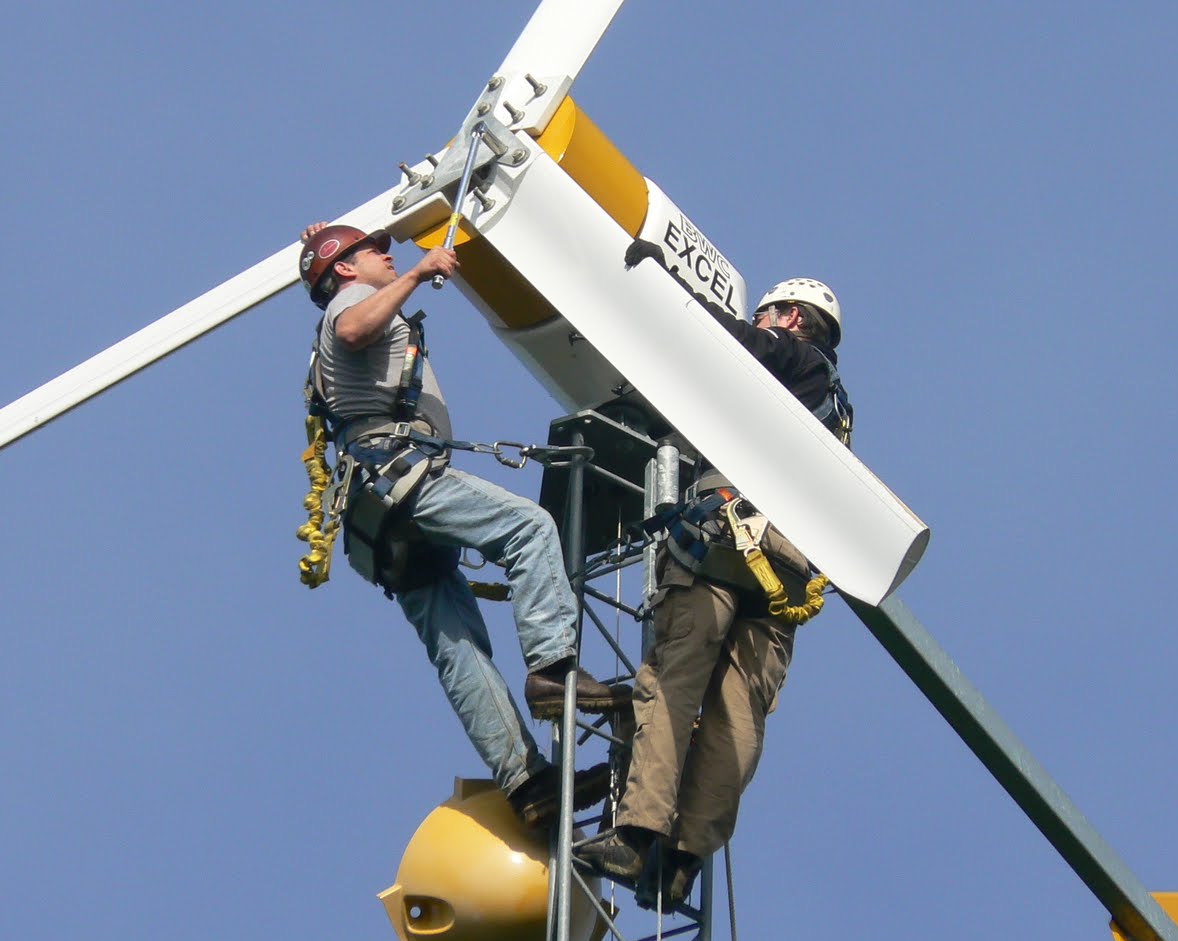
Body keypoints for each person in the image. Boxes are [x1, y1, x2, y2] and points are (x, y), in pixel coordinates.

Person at [297, 221, 631, 828]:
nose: (388, 257)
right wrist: (422, 273)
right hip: (399, 473)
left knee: (459, 649)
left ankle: (527, 784)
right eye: (375, 251)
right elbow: (352, 328)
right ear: (345, 270)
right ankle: (554, 670)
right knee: (528, 528)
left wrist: (326, 237)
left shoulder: (348, 297)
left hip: (377, 515)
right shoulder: (350, 304)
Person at [576, 250, 852, 905]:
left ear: (790, 316)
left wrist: (660, 281)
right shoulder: (836, 409)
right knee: (737, 718)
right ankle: (682, 863)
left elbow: (728, 340)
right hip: (785, 575)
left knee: (671, 686)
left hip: (723, 542)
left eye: (767, 312)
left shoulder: (793, 356)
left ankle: (636, 835)